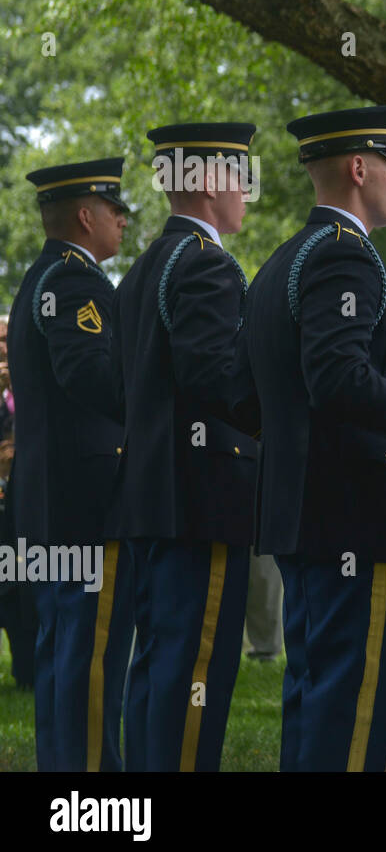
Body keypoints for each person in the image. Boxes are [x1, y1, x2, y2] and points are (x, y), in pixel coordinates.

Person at [244, 105, 386, 772]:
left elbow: (242, 393)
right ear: (359, 168)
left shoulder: (281, 262)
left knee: (313, 688)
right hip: (352, 514)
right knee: (353, 698)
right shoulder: (348, 257)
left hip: (302, 511)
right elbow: (341, 379)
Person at [110, 122, 261, 770]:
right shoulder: (206, 262)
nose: (247, 192)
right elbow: (217, 378)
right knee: (194, 670)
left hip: (151, 497)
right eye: (240, 175)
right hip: (200, 500)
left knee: (158, 665)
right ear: (203, 181)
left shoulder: (142, 268)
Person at [6, 158, 132, 771]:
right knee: (89, 662)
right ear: (86, 215)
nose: (125, 221)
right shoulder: (76, 281)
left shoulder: (40, 277)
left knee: (62, 657)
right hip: (85, 507)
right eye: (115, 210)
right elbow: (91, 377)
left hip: (49, 505)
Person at [0, 313, 37, 690]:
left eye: (7, 339)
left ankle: (26, 666)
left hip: (24, 500)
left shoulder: (31, 385)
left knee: (21, 578)